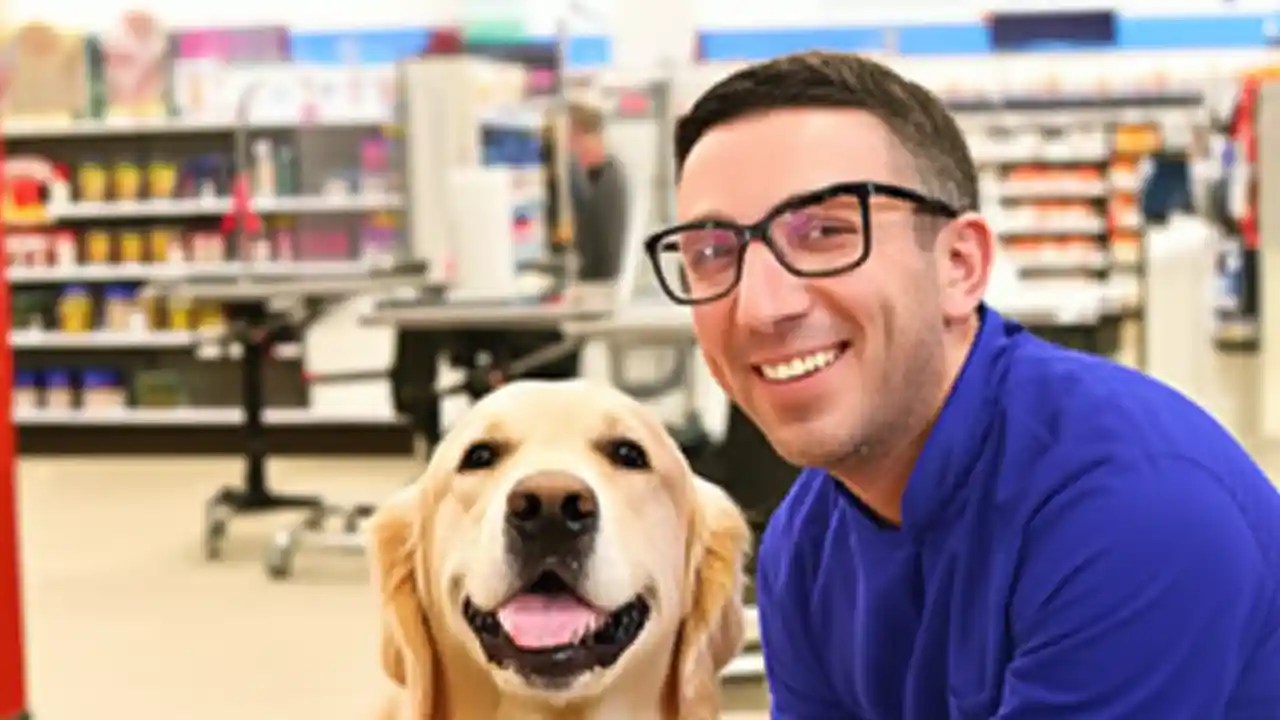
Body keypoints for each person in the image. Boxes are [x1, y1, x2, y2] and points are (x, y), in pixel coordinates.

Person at [644, 50, 1280, 719]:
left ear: (960, 265)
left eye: (826, 232)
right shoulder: (805, 543)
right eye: (712, 253)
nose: (761, 307)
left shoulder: (1133, 511)